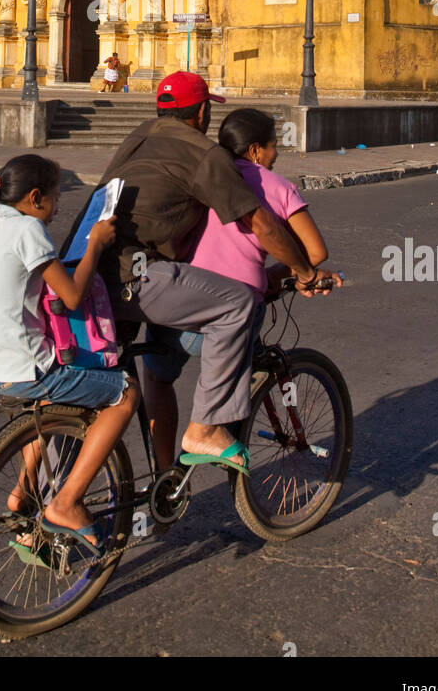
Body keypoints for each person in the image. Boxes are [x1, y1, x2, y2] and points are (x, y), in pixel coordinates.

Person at [61, 72, 340, 475]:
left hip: (86, 278)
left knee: (106, 390)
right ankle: (204, 428)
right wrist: (302, 271)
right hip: (135, 278)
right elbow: (261, 224)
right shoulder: (205, 155)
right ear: (204, 111)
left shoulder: (137, 136)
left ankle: (154, 481)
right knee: (240, 303)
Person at [0, 154, 139, 555]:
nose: (55, 211)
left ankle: (22, 491)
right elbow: (71, 296)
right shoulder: (27, 230)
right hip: (25, 368)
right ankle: (67, 503)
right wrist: (95, 246)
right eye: (54, 200)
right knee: (125, 394)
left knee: (53, 401)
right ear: (34, 198)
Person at [142, 107, 333, 470]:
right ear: (256, 150)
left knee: (158, 377)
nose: (276, 155)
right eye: (274, 147)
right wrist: (295, 275)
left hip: (175, 301)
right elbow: (314, 252)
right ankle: (210, 432)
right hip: (225, 313)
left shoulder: (205, 179)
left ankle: (164, 476)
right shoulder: (276, 187)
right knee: (240, 346)